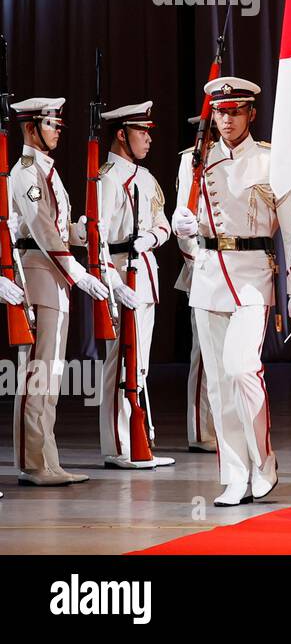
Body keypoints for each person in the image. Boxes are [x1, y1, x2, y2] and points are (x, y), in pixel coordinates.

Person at [170, 77, 291, 507]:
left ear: (251, 114)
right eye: (220, 112)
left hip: (252, 276)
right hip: (208, 278)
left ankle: (264, 461)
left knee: (243, 368)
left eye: (235, 112)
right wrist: (184, 232)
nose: (226, 120)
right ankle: (234, 474)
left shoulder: (270, 161)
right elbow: (186, 230)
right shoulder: (192, 160)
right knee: (218, 386)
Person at [9, 97, 134, 486]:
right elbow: (42, 230)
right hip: (39, 275)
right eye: (52, 123)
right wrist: (79, 273)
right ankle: (33, 462)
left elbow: (58, 230)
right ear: (32, 128)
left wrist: (84, 232)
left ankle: (47, 459)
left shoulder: (48, 170)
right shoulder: (26, 172)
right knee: (38, 374)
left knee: (52, 374)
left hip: (53, 275)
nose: (59, 129)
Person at [96, 101, 176, 470]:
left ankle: (139, 440)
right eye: (140, 132)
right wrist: (112, 281)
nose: (147, 139)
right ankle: (118, 445)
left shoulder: (146, 178)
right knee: (121, 361)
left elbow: (165, 223)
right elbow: (98, 240)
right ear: (121, 134)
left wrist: (152, 239)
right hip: (119, 273)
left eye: (148, 132)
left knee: (139, 365)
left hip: (144, 274)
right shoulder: (108, 178)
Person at [176, 116, 217, 453]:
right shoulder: (190, 161)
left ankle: (222, 425)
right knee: (203, 356)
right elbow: (183, 221)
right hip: (204, 266)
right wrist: (199, 263)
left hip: (231, 266)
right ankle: (201, 430)